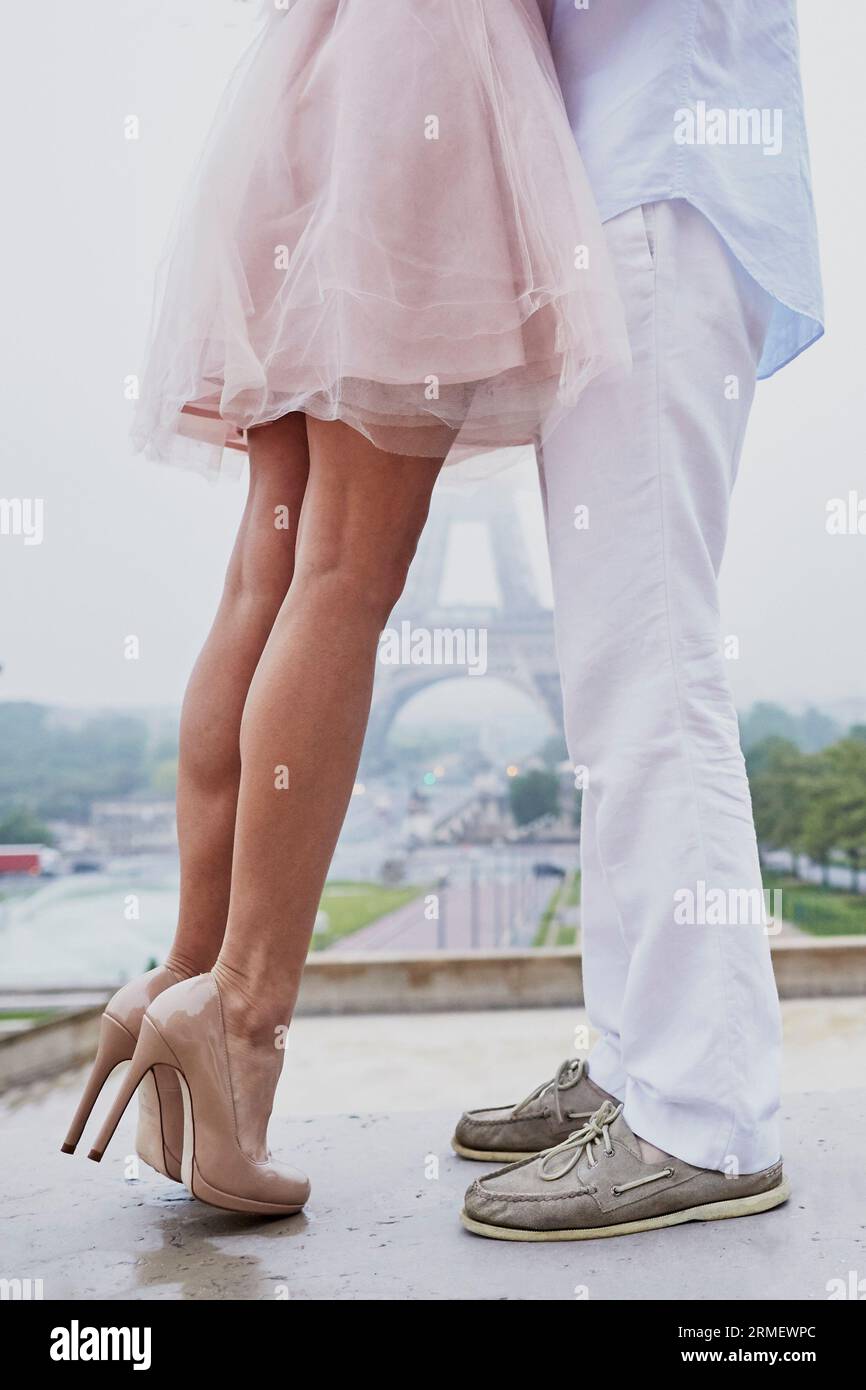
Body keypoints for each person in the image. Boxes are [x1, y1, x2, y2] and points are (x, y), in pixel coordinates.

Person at [61, 0, 629, 1215]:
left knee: (266, 573)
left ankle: (180, 975)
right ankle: (245, 1017)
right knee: (346, 572)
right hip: (428, 80)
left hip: (302, 88)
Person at [455, 0, 824, 1240]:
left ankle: (703, 1114)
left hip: (649, 189)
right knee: (620, 679)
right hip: (628, 191)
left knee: (648, 667)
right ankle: (635, 1070)